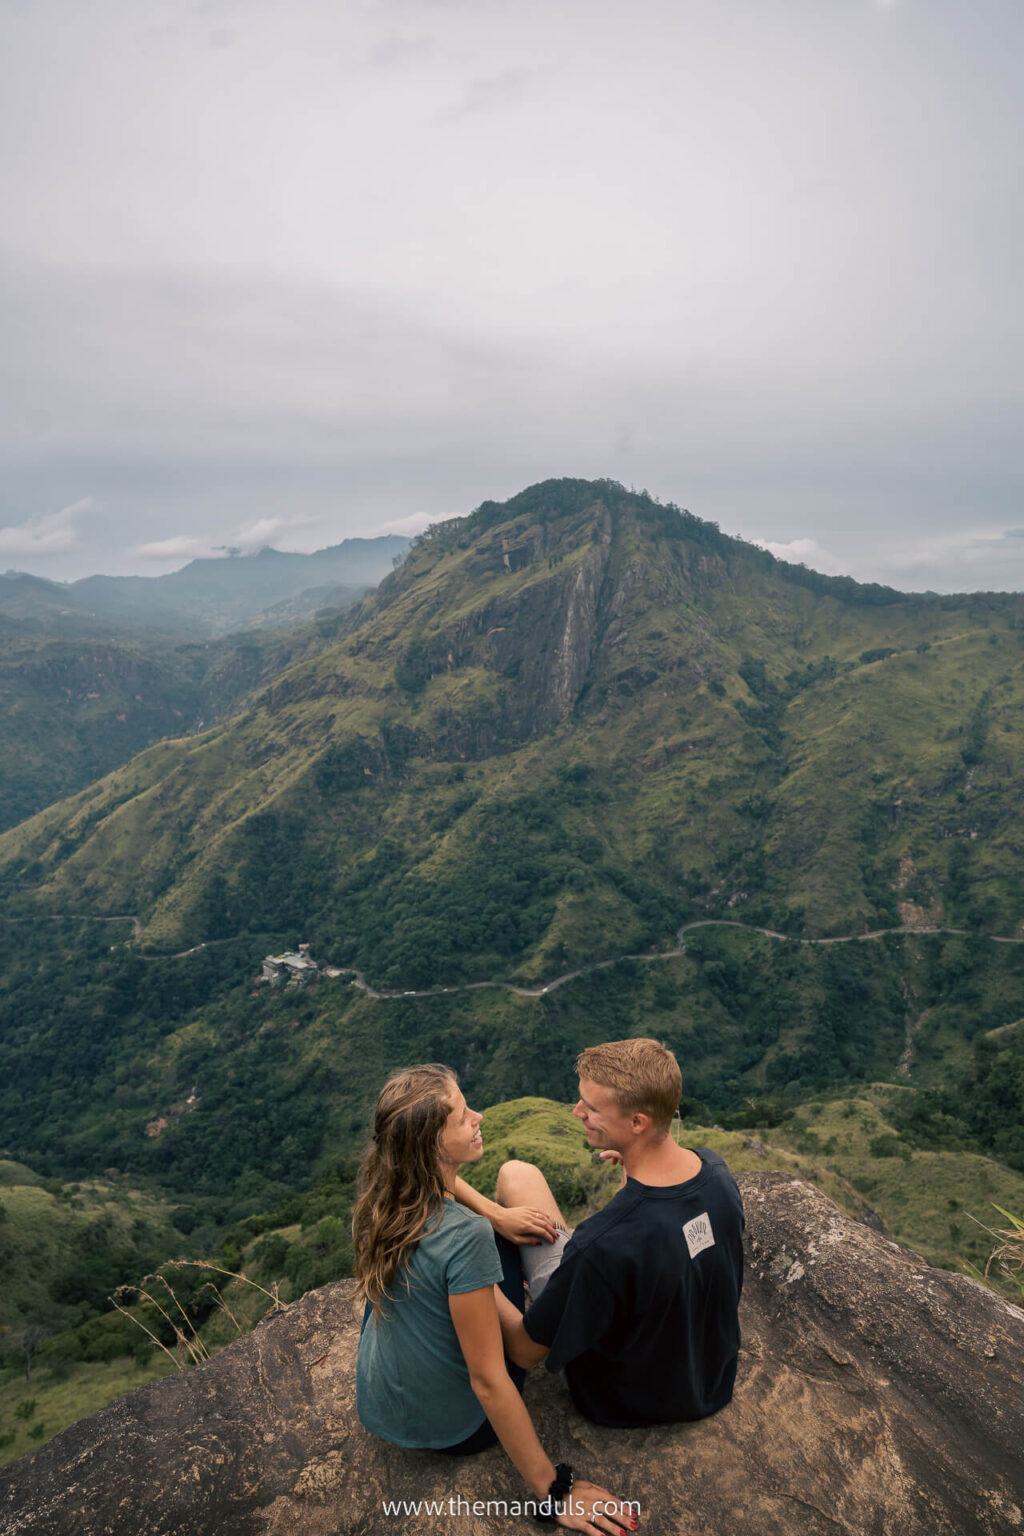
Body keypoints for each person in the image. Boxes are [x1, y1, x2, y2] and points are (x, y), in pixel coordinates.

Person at [353, 1064, 637, 1534]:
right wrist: (554, 1491)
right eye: (463, 1116)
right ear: (431, 1146)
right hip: (460, 1430)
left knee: (500, 1230)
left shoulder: (386, 1190)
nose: (479, 1117)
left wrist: (493, 1212)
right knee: (513, 1252)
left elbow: (443, 1186)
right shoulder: (466, 1237)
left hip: (383, 1404)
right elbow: (489, 1380)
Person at [458, 1038, 744, 1428]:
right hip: (710, 1381)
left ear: (638, 1123)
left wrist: (471, 1276)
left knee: (516, 1175)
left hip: (621, 1400)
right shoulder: (717, 1174)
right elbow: (662, 1235)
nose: (577, 1112)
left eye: (591, 1108)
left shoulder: (600, 1244)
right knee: (522, 1179)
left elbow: (525, 1351)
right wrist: (632, 1159)